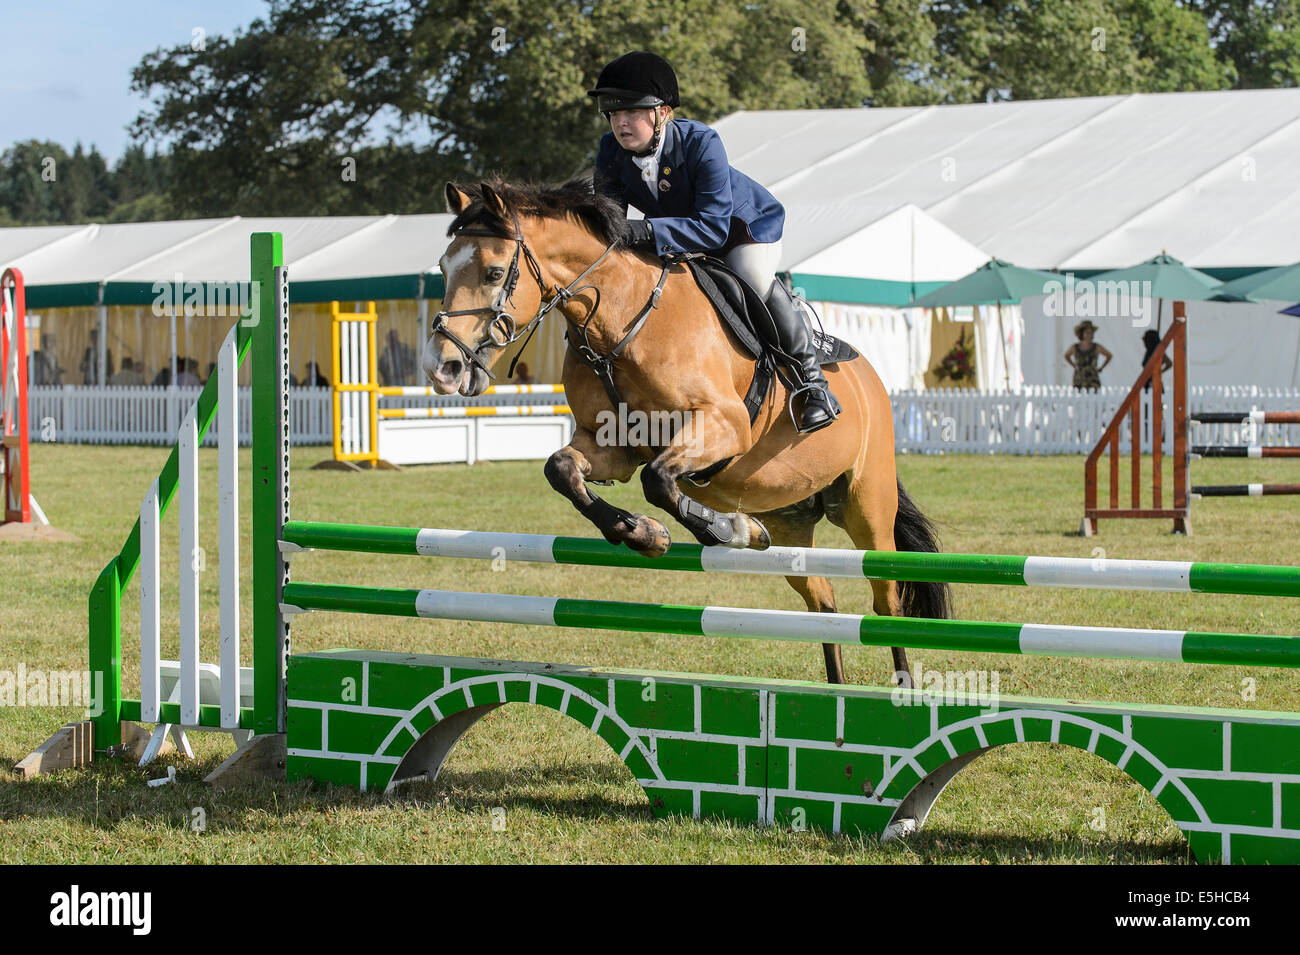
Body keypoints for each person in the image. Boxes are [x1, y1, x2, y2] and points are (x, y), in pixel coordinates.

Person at [588, 51, 838, 433]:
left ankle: (812, 384)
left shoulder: (701, 142)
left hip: (742, 231)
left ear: (663, 113)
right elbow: (609, 222)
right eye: (613, 113)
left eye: (633, 112)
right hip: (684, 239)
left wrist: (647, 232)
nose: (621, 122)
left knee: (751, 276)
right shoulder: (610, 151)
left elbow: (713, 228)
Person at [1064, 320, 1112, 391]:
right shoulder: (1074, 347)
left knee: (1094, 400)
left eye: (1091, 332)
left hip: (1093, 380)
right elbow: (1066, 356)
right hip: (1078, 380)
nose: (1089, 334)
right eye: (1087, 332)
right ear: (1082, 333)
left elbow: (1109, 356)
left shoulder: (1096, 347)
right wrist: (1074, 365)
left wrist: (1101, 368)